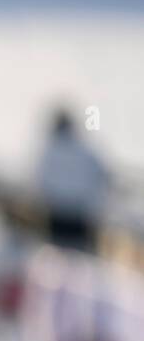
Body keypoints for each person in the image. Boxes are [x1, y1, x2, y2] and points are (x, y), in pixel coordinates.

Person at [36, 108, 111, 254]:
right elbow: (103, 176)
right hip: (81, 218)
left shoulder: (50, 152)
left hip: (58, 217)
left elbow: (41, 183)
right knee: (80, 259)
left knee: (60, 258)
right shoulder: (86, 150)